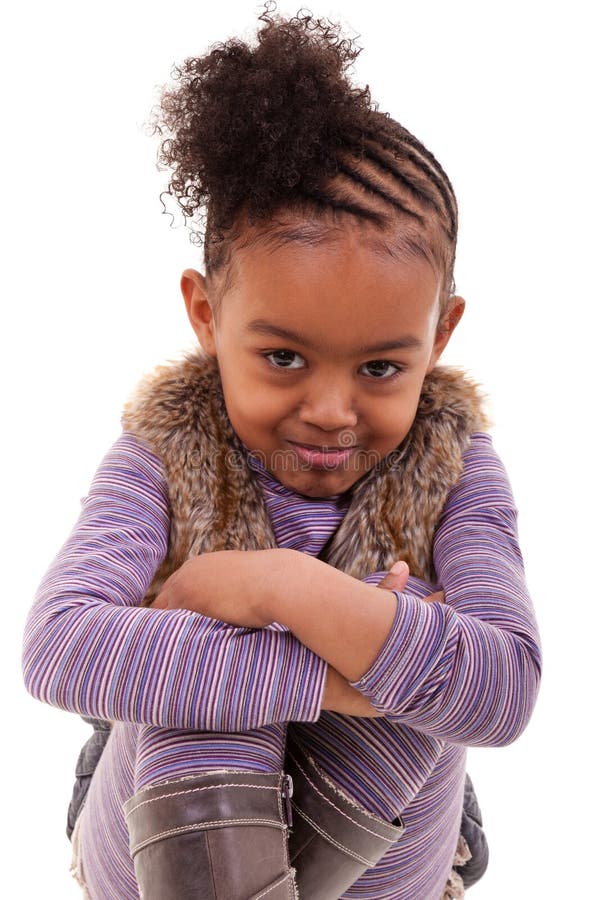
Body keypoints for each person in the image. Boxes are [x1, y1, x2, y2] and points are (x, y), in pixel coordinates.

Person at [21, 6, 542, 899]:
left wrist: (281, 587)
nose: (332, 411)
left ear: (441, 332)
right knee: (212, 671)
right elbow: (56, 646)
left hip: (381, 855)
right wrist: (328, 673)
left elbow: (504, 691)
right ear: (205, 315)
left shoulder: (454, 467)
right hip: (163, 840)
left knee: (419, 638)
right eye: (284, 358)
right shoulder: (164, 449)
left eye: (382, 365)